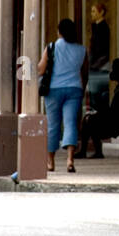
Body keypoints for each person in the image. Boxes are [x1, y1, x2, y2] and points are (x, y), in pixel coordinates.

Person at [37, 18, 87, 173]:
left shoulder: (51, 47)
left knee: (53, 125)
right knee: (71, 123)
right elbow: (85, 73)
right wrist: (82, 89)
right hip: (74, 89)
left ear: (59, 32)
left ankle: (50, 161)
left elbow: (41, 69)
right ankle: (70, 159)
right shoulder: (82, 50)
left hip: (54, 90)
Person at [78, 59, 119, 159]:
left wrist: (99, 113)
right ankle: (85, 151)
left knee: (90, 120)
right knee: (89, 118)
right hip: (118, 120)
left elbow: (116, 113)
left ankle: (95, 151)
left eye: (113, 69)